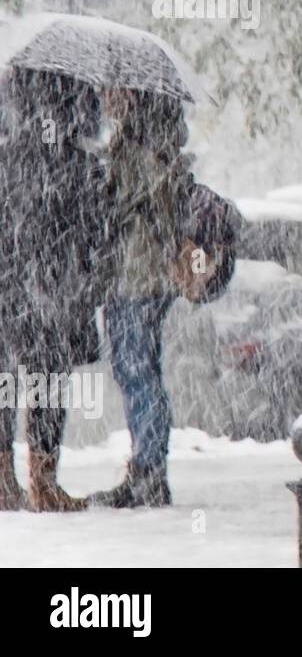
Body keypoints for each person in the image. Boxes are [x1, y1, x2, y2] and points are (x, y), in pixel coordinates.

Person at [0, 68, 115, 512]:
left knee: (7, 379)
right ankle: (44, 483)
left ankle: (6, 481)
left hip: (12, 284)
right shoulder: (77, 164)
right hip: (54, 287)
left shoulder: (10, 154)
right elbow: (92, 235)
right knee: (48, 382)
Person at [87, 89, 198, 508]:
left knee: (137, 373)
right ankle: (148, 467)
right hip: (145, 276)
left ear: (136, 98)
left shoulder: (139, 149)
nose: (108, 97)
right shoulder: (157, 145)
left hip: (136, 275)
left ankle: (148, 471)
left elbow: (122, 210)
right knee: (140, 371)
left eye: (117, 91)